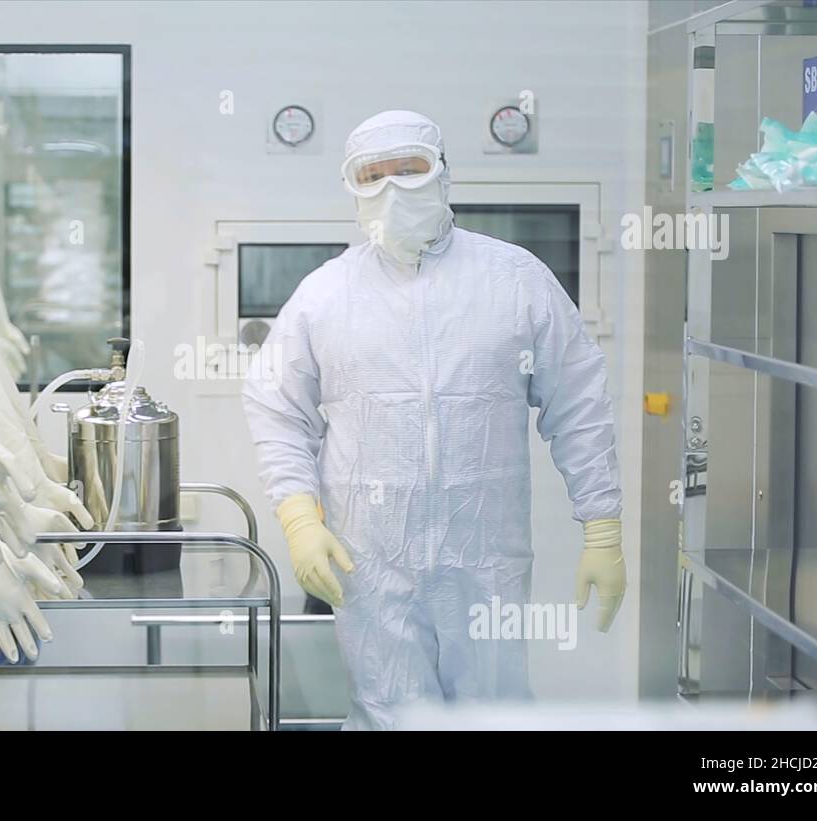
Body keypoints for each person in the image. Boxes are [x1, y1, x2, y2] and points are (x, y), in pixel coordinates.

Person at [241, 110, 625, 730]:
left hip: (486, 555)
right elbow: (277, 407)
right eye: (374, 176)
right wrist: (298, 517)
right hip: (370, 557)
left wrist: (602, 526)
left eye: (410, 171)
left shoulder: (515, 279)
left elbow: (578, 402)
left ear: (444, 173)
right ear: (353, 188)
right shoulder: (325, 294)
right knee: (385, 709)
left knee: (493, 711)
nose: (393, 188)